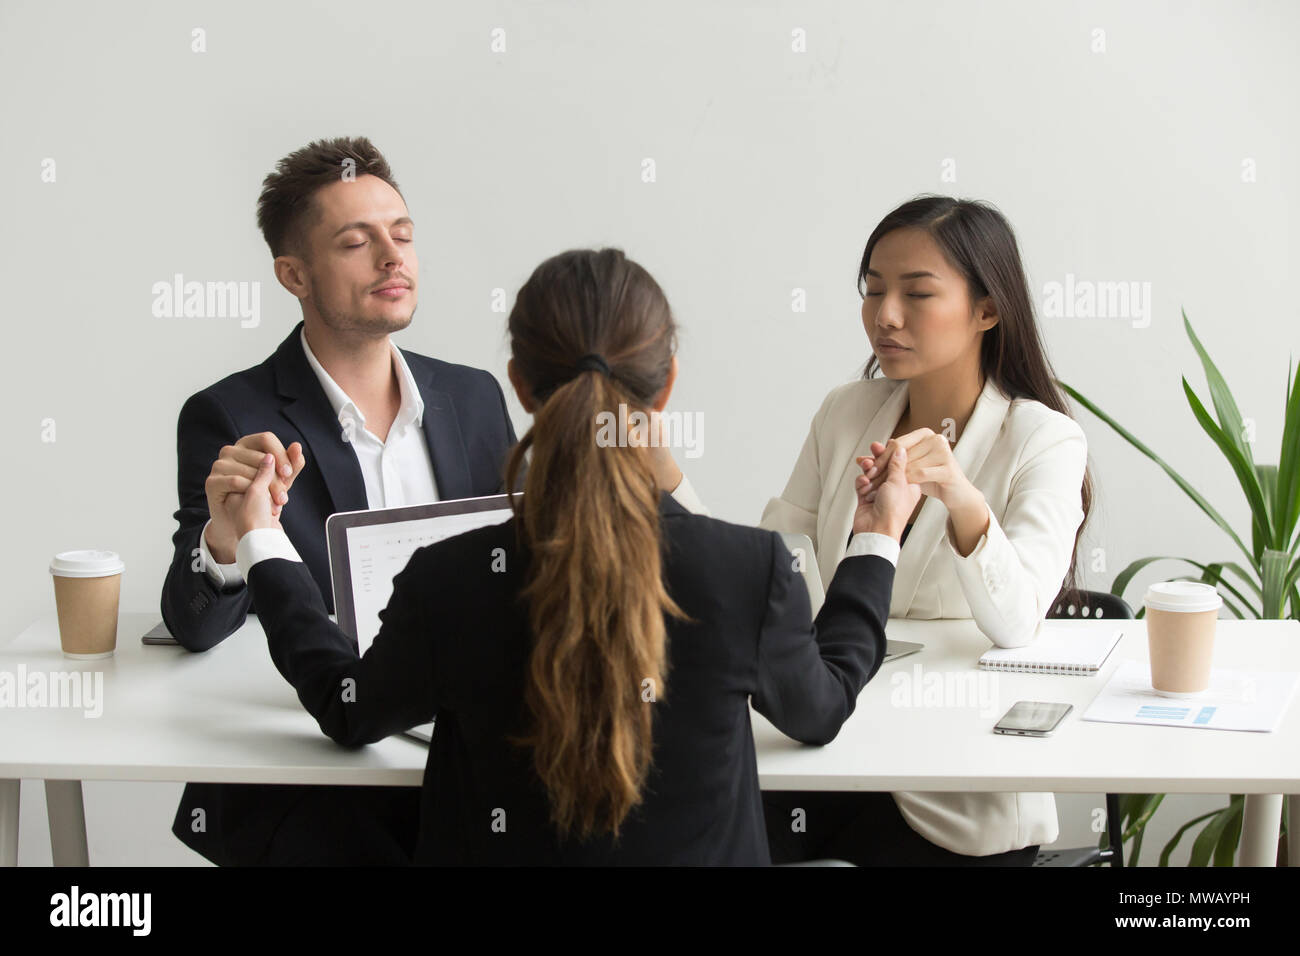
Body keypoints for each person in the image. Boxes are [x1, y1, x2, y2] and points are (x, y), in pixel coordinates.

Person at [217, 247, 919, 864]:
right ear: (666, 383)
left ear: (520, 384)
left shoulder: (450, 579)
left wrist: (260, 542)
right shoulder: (747, 571)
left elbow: (350, 710)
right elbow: (820, 711)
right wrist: (877, 536)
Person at [160, 137, 520, 865]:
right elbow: (191, 627)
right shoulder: (229, 414)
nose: (393, 258)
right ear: (294, 274)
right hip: (316, 770)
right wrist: (227, 544)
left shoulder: (473, 396)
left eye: (404, 235)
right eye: (357, 242)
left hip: (466, 745)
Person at [760, 196, 1093, 865]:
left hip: (957, 788)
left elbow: (1018, 620)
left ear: (987, 310)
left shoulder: (1044, 439)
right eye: (873, 290)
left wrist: (964, 502)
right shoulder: (846, 411)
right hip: (828, 753)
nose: (885, 315)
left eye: (916, 293)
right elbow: (783, 561)